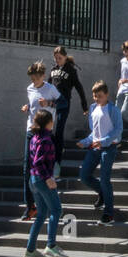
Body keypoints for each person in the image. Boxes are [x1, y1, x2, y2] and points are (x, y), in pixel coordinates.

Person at [23, 109, 69, 257]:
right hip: (42, 180)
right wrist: (48, 178)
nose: (53, 122)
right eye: (52, 120)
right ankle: (51, 245)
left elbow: (32, 162)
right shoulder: (46, 140)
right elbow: (38, 162)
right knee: (56, 210)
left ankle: (30, 250)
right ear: (48, 123)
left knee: (42, 214)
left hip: (33, 180)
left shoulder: (35, 138)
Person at [19, 61, 61, 220]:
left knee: (43, 165)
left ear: (43, 76)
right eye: (32, 78)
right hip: (31, 130)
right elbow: (33, 105)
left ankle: (46, 200)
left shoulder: (50, 89)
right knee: (26, 169)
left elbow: (62, 103)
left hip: (46, 132)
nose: (34, 81)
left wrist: (49, 103)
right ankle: (30, 206)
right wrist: (27, 108)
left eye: (37, 78)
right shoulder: (30, 89)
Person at [78, 81, 121, 224]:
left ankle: (108, 213)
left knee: (104, 179)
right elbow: (93, 132)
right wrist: (84, 142)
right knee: (84, 175)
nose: (97, 99)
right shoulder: (92, 108)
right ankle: (102, 193)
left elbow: (118, 130)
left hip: (108, 148)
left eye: (100, 96)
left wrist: (103, 141)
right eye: (95, 96)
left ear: (106, 95)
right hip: (94, 148)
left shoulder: (113, 109)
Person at [48, 46, 87, 176]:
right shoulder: (53, 70)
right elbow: (47, 86)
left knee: (58, 132)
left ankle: (57, 164)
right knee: (50, 133)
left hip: (64, 105)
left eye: (60, 58)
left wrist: (84, 106)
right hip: (51, 105)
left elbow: (79, 88)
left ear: (65, 57)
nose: (57, 60)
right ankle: (56, 153)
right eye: (56, 58)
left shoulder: (71, 70)